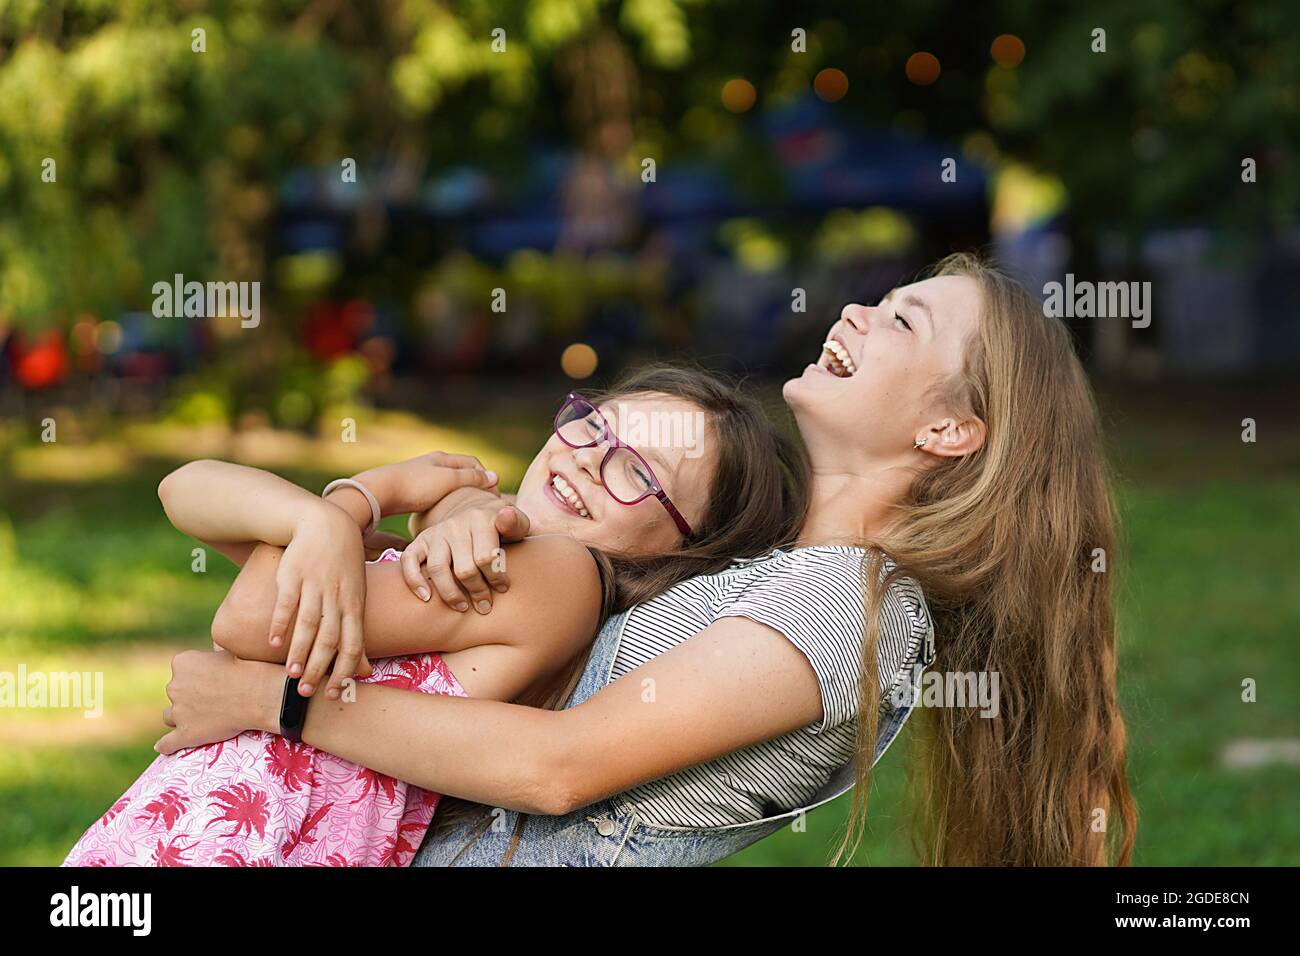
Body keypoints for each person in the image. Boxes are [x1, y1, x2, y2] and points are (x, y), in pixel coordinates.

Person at [155, 254, 1136, 866]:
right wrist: (452, 505)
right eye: (879, 299)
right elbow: (558, 595)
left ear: (950, 429)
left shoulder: (849, 601)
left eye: (902, 320)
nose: (856, 314)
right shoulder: (777, 576)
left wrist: (268, 701)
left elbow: (557, 768)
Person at [63, 366, 807, 866]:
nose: (588, 460)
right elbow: (185, 488)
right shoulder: (481, 555)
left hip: (247, 842)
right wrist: (329, 524)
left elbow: (253, 617)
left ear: (684, 545)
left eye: (638, 472)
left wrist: (359, 499)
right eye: (595, 427)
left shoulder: (560, 574)